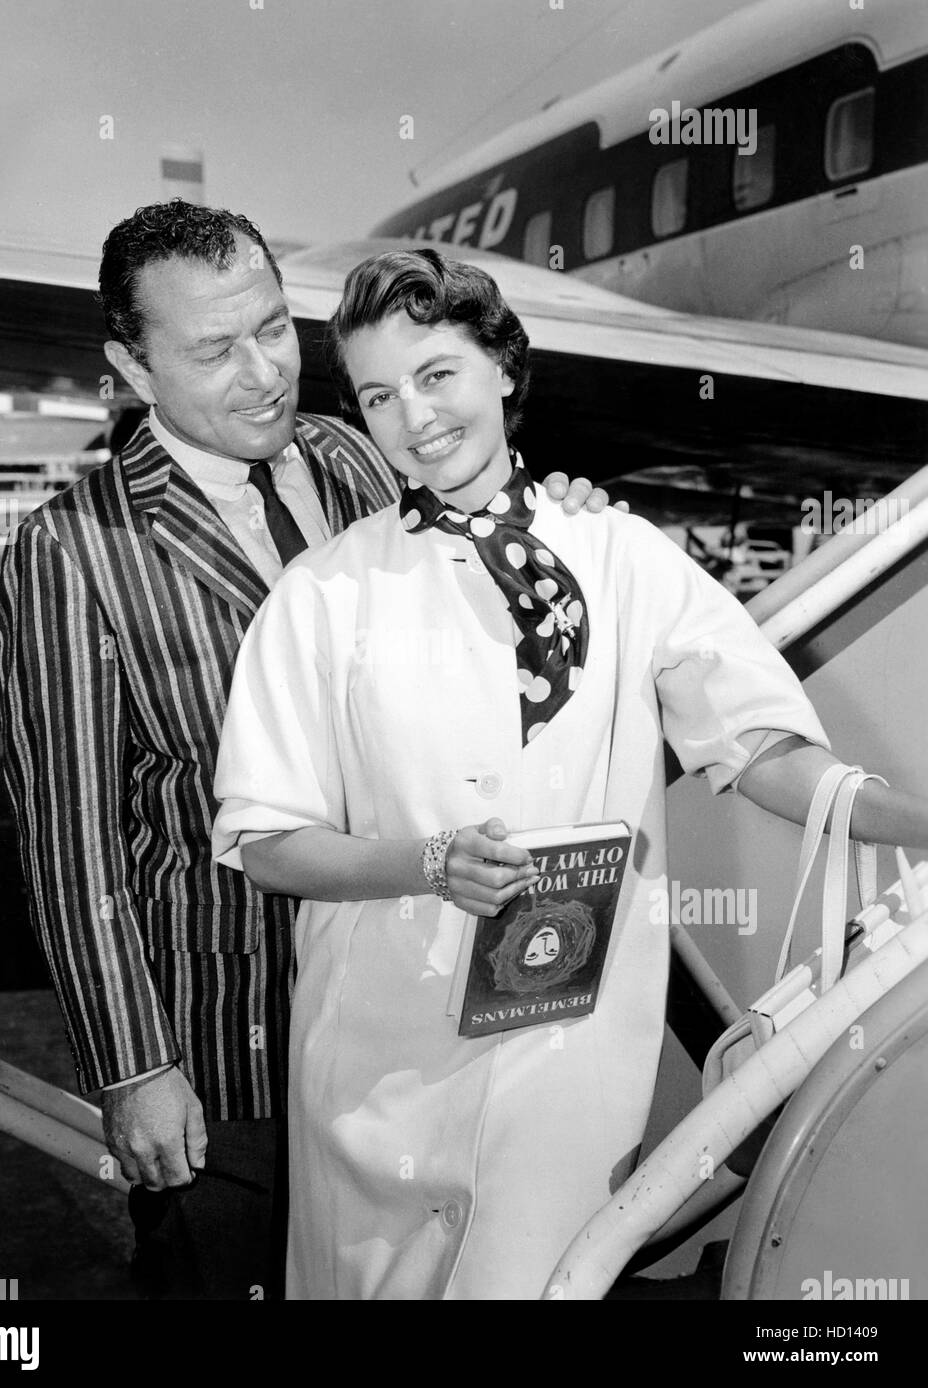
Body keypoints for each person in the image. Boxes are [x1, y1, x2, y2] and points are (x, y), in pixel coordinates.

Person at [211, 247, 928, 1300]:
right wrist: (430, 862)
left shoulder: (620, 556)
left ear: (502, 366)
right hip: (376, 1065)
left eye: (436, 373)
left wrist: (912, 819)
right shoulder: (319, 597)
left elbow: (755, 746)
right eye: (376, 394)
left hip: (568, 1051)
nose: (411, 417)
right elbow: (265, 840)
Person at [0, 202, 615, 1299]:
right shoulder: (73, 550)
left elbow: (482, 564)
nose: (262, 373)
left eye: (274, 329)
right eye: (212, 350)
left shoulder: (354, 456)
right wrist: (136, 1068)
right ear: (129, 367)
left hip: (414, 1011)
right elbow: (71, 846)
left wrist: (556, 514)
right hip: (231, 1051)